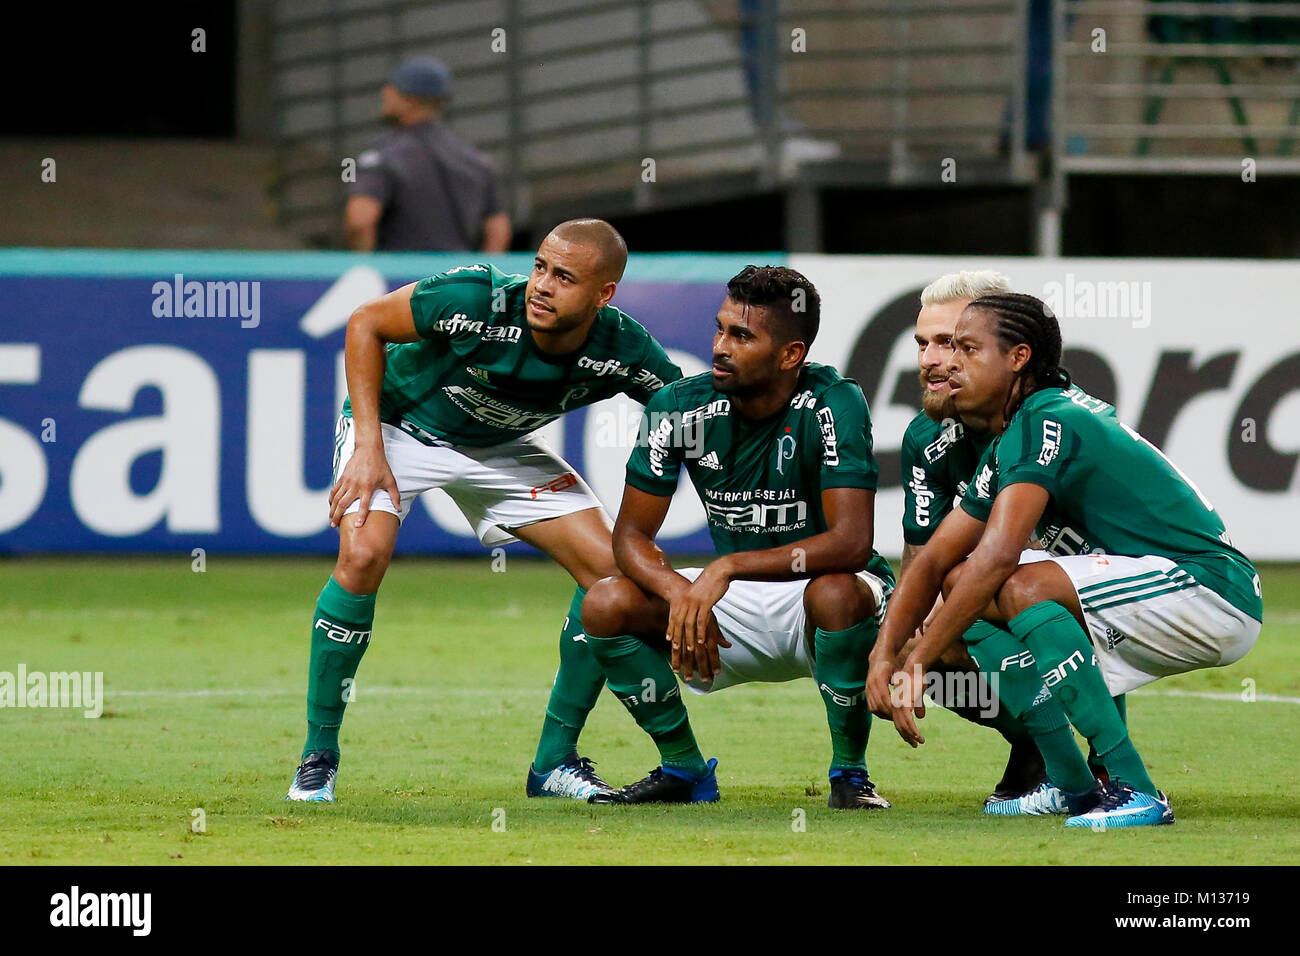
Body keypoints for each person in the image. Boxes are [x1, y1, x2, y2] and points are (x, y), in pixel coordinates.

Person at [286, 219, 681, 803]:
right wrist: (367, 444)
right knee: (363, 554)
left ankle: (553, 764)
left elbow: (688, 414)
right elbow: (366, 322)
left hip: (499, 450)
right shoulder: (475, 298)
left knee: (614, 577)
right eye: (541, 266)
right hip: (398, 429)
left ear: (604, 295)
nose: (542, 286)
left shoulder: (624, 349)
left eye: (564, 277)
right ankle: (319, 754)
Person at [867, 293, 1263, 829]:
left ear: (1018, 357)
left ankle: (1133, 788)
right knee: (972, 583)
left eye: (967, 348)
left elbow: (997, 557)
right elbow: (937, 557)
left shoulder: (1047, 420)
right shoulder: (1021, 427)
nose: (950, 362)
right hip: (1162, 588)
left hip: (1208, 588)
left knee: (1012, 584)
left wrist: (917, 662)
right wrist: (885, 654)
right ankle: (1071, 783)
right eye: (944, 347)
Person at [581, 265, 895, 808]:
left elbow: (849, 544)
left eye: (742, 336)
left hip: (826, 595)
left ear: (790, 355)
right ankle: (682, 769)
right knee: (605, 602)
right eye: (721, 329)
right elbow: (630, 537)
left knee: (837, 590)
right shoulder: (679, 407)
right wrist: (679, 592)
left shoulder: (833, 403)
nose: (720, 347)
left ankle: (850, 777)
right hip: (734, 607)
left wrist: (724, 568)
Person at [899, 271, 1052, 807]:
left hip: (1110, 592)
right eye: (924, 344)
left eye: (952, 343)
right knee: (917, 634)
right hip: (1000, 595)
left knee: (982, 594)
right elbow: (921, 549)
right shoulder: (927, 437)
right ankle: (1034, 743)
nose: (930, 360)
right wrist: (914, 631)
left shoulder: (1052, 419)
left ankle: (1103, 769)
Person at [344, 56, 511, 253]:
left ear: (410, 99)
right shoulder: (473, 158)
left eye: (391, 89)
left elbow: (360, 221)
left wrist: (365, 269)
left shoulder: (384, 155)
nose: (384, 93)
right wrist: (482, 279)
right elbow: (498, 229)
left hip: (402, 277)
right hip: (454, 278)